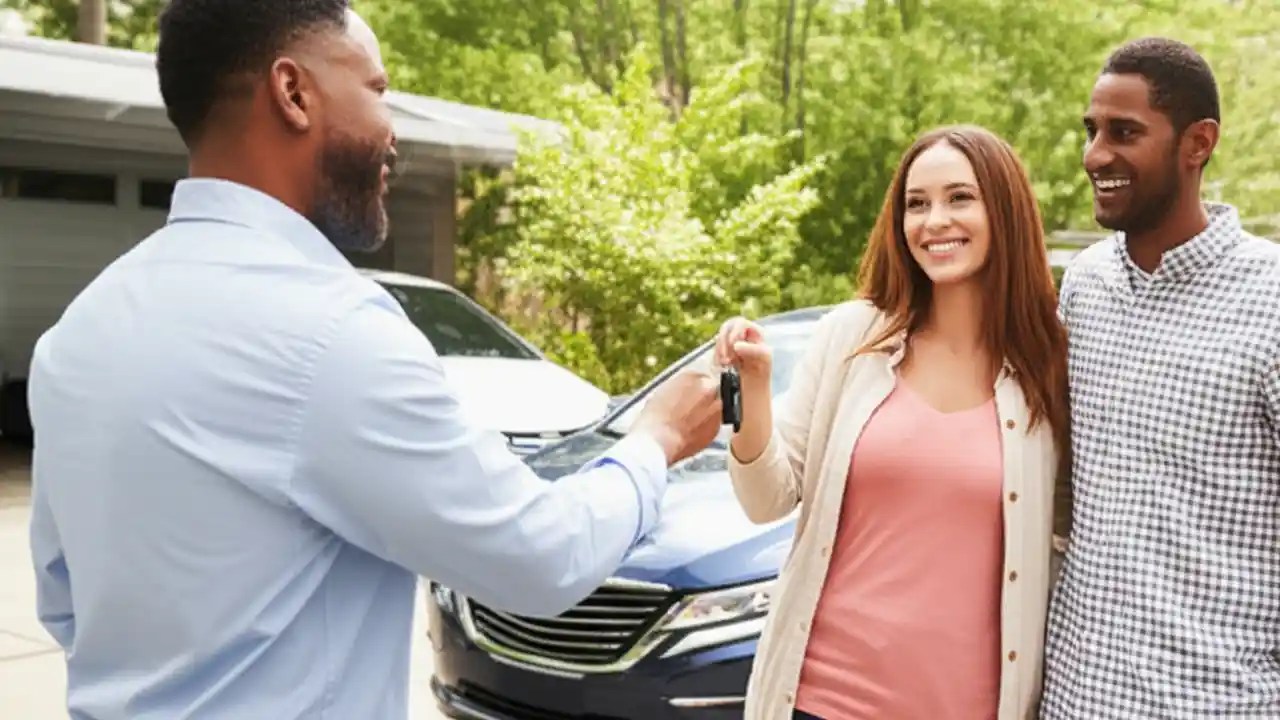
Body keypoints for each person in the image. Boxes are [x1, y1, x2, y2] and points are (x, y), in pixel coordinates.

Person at [25, 1, 722, 718]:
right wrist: (656, 440)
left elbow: (64, 603)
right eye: (378, 90)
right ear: (293, 92)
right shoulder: (330, 331)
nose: (394, 134)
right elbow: (539, 557)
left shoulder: (79, 332)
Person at [713, 125, 1071, 720]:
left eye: (960, 198)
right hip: (820, 700)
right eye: (916, 203)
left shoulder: (1048, 370)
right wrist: (752, 391)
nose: (934, 221)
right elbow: (767, 499)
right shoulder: (853, 337)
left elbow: (1072, 541)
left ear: (1004, 211)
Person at [1041, 37, 1280, 718]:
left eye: (1124, 133)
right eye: (1092, 131)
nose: (1094, 156)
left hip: (1219, 704)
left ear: (1197, 143)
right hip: (1076, 700)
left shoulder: (1272, 298)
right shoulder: (1084, 286)